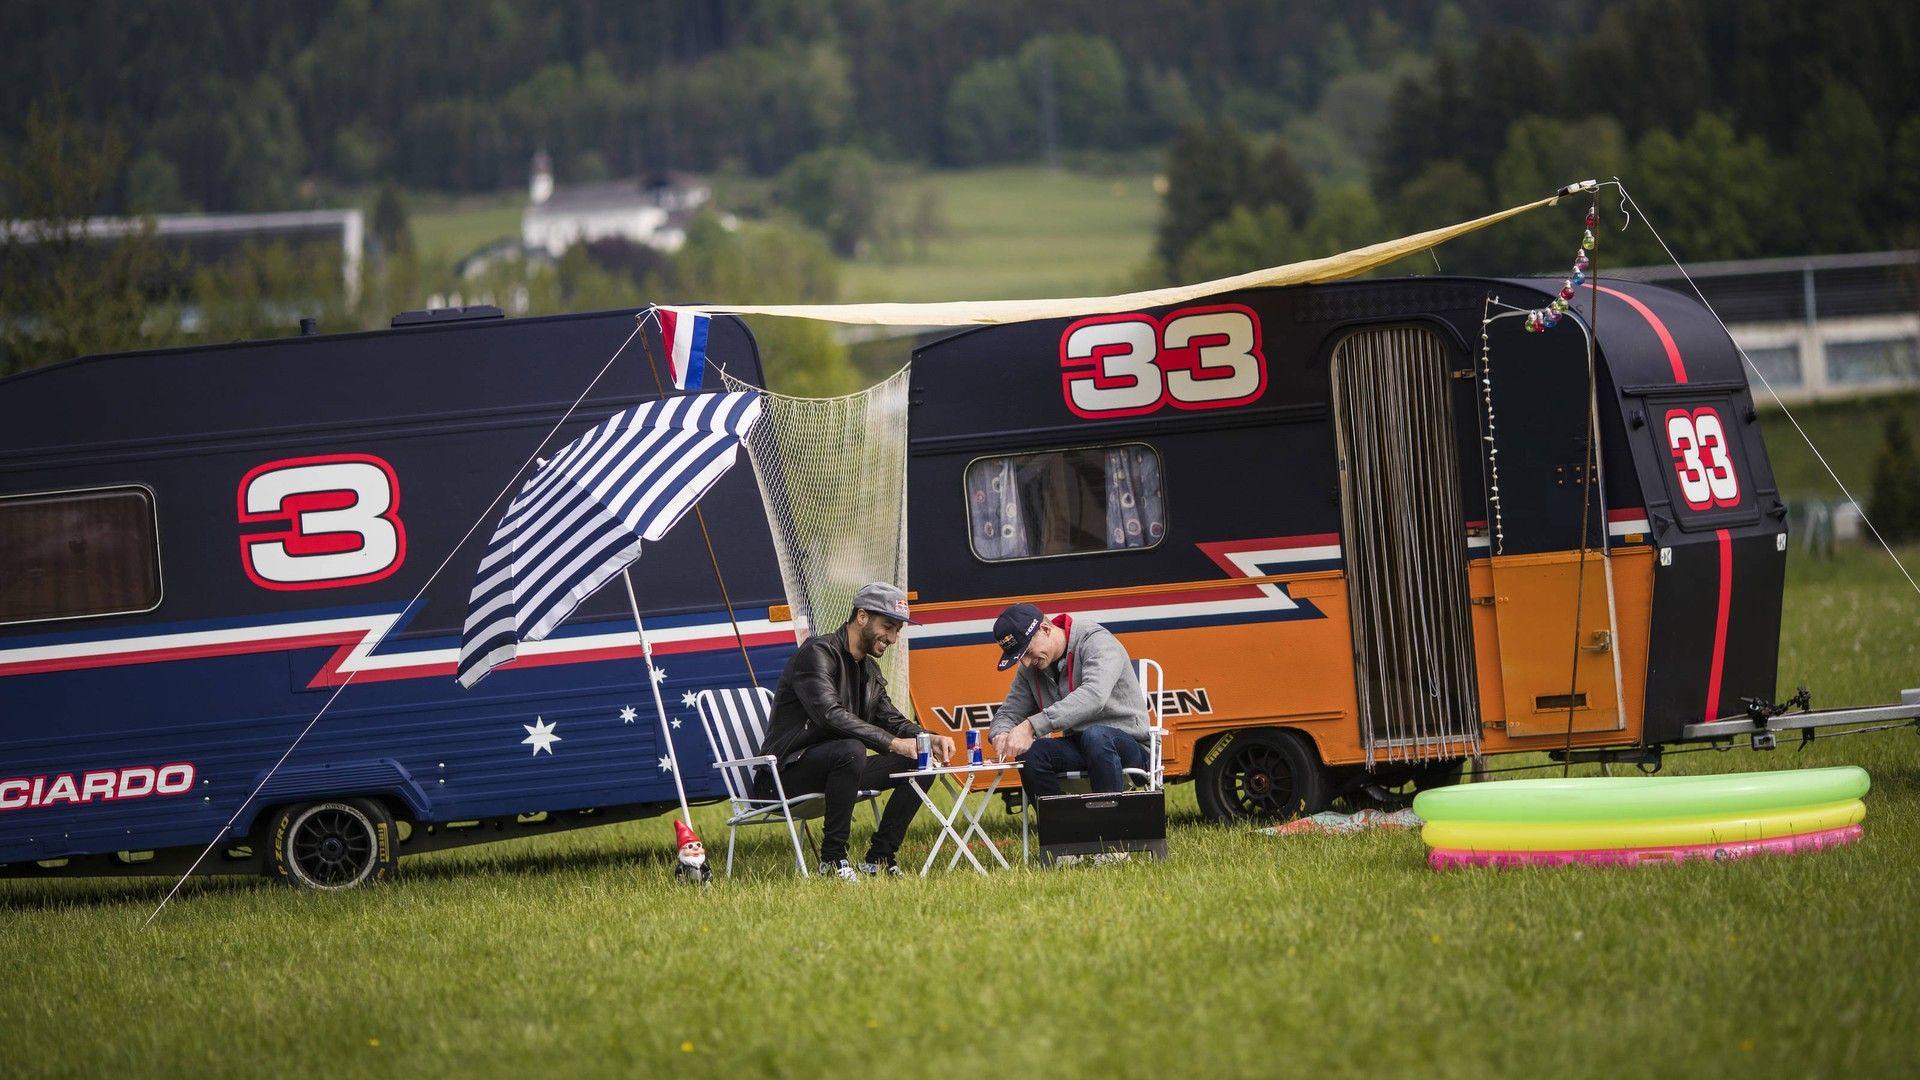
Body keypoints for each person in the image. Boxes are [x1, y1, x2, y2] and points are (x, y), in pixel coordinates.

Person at [758, 582, 952, 880]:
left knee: (922, 762)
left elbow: (892, 720)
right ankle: (833, 861)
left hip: (841, 769)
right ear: (861, 617)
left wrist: (928, 738)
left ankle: (880, 858)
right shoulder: (817, 653)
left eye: (898, 630)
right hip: (783, 777)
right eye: (888, 626)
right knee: (850, 749)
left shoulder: (869, 670)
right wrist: (892, 744)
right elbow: (829, 715)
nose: (893, 637)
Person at [987, 603, 1151, 799]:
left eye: (1028, 652)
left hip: (1130, 745)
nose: (1026, 663)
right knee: (1032, 753)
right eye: (1019, 657)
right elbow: (1009, 712)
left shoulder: (1096, 641)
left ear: (1045, 629)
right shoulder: (1030, 668)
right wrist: (1001, 733)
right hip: (1081, 745)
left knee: (1096, 736)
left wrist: (1032, 726)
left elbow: (1094, 695)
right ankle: (1060, 826)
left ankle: (1109, 825)